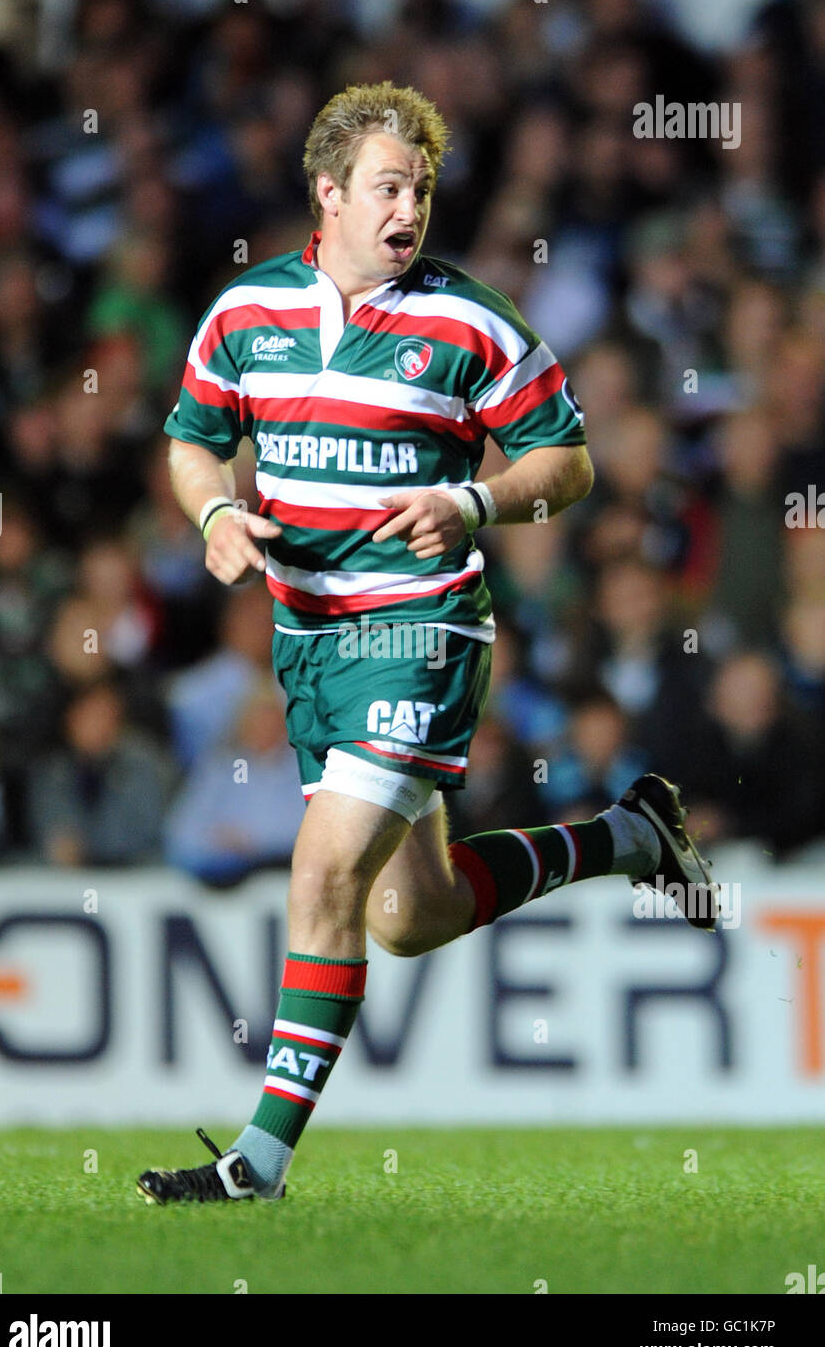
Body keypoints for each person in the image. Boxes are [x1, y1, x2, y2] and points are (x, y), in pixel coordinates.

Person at [137, 82, 717, 1207]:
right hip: (307, 640)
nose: (410, 209)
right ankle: (629, 837)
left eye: (423, 189)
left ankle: (256, 1166)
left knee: (322, 875)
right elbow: (193, 443)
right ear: (329, 195)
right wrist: (213, 514)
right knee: (410, 916)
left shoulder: (469, 322)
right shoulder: (243, 314)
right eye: (389, 187)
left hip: (420, 630)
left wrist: (475, 504)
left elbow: (568, 462)